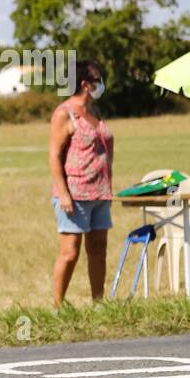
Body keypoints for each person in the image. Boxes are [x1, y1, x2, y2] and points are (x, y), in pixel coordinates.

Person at [48, 59, 114, 306]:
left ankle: (99, 303)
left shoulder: (95, 112)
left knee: (98, 250)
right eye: (98, 80)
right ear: (85, 84)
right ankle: (57, 306)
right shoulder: (64, 113)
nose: (101, 84)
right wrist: (64, 194)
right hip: (75, 194)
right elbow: (54, 155)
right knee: (70, 253)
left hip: (100, 193)